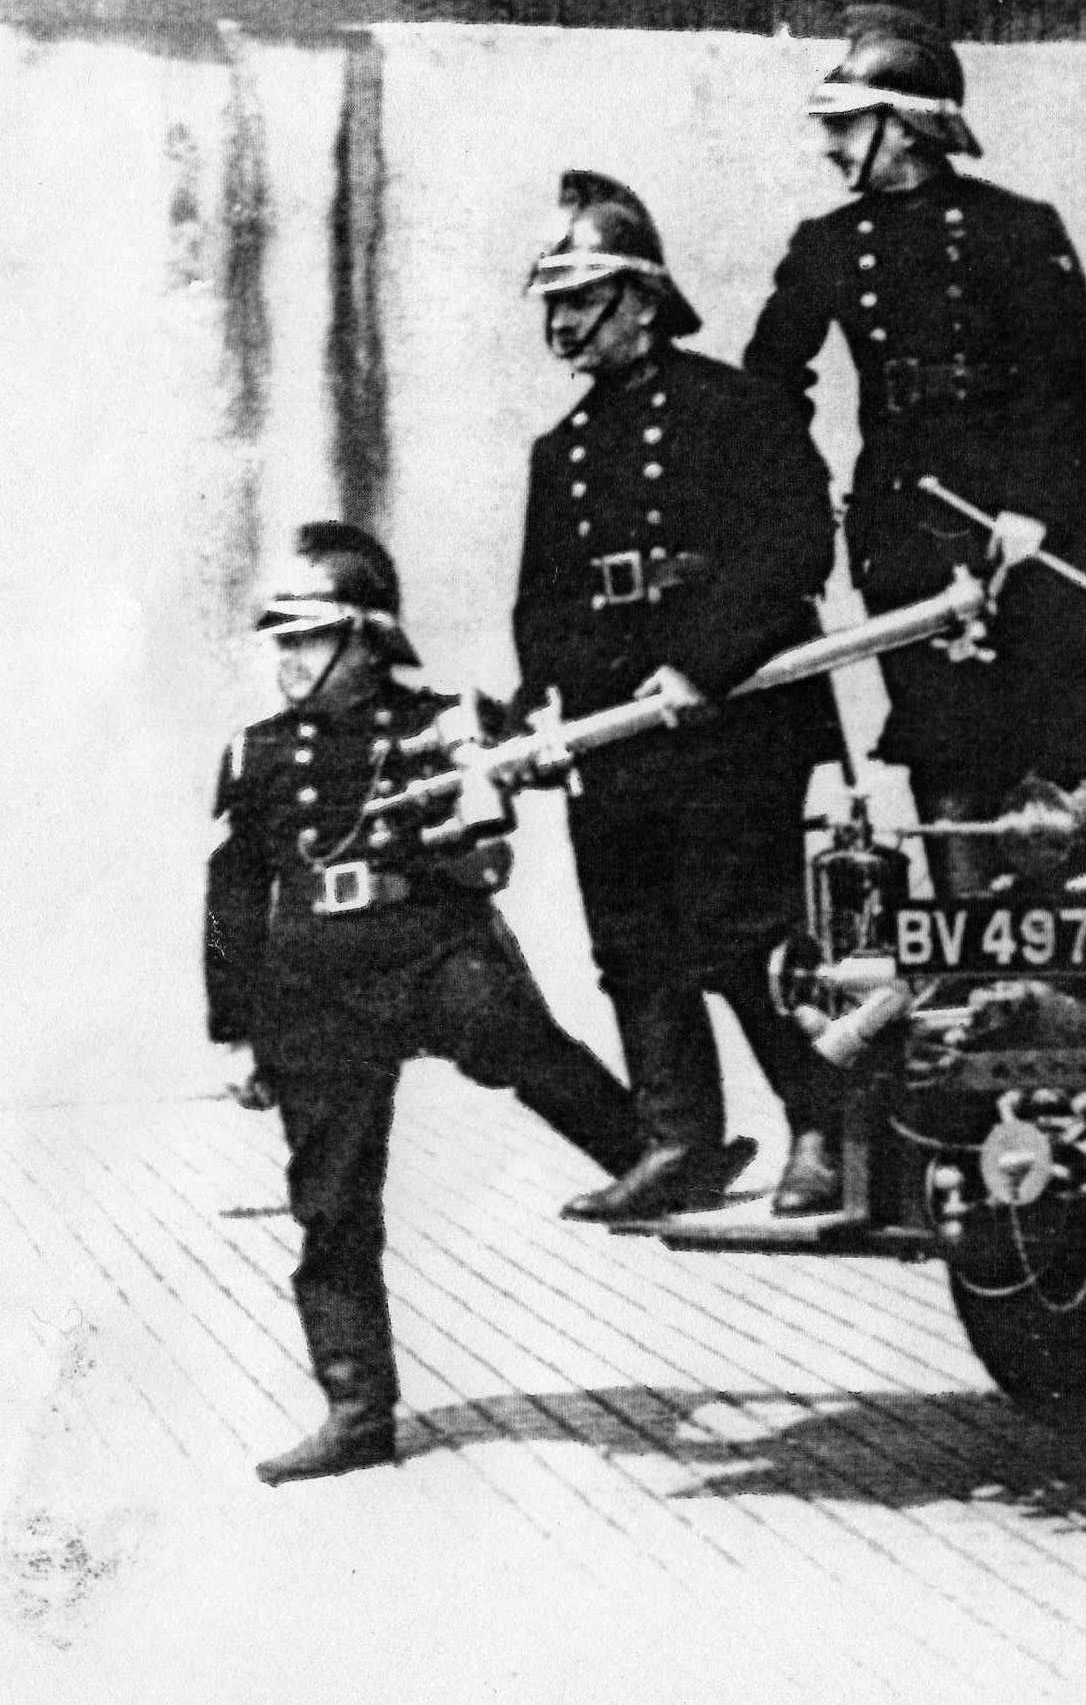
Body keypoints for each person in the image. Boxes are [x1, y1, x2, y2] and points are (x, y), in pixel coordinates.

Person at [207, 522, 654, 1483]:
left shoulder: (448, 716)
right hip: (314, 982)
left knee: (519, 1039)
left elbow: (532, 764)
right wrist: (239, 1031)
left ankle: (648, 1157)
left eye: (307, 637)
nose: (286, 660)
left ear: (368, 638)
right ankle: (358, 1413)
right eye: (278, 642)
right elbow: (235, 894)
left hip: (429, 944)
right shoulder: (256, 754)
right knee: (331, 1207)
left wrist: (513, 767)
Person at [514, 171, 851, 1217]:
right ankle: (678, 1142)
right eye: (553, 305)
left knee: (742, 934)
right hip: (617, 731)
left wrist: (700, 663)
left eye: (583, 299)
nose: (562, 323)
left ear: (644, 300)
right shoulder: (560, 450)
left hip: (732, 718)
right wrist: (546, 710)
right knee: (631, 940)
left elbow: (797, 547)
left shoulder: (733, 409)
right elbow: (544, 601)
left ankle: (824, 1127)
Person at [742, 3, 1086, 841]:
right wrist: (802, 501)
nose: (829, 147)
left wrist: (1035, 502)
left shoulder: (1015, 228)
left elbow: (1069, 376)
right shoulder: (826, 244)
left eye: (848, 125)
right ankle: (966, 947)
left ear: (908, 127)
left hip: (1027, 528)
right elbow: (770, 383)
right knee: (945, 747)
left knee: (1064, 742)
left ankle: (1084, 941)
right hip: (903, 527)